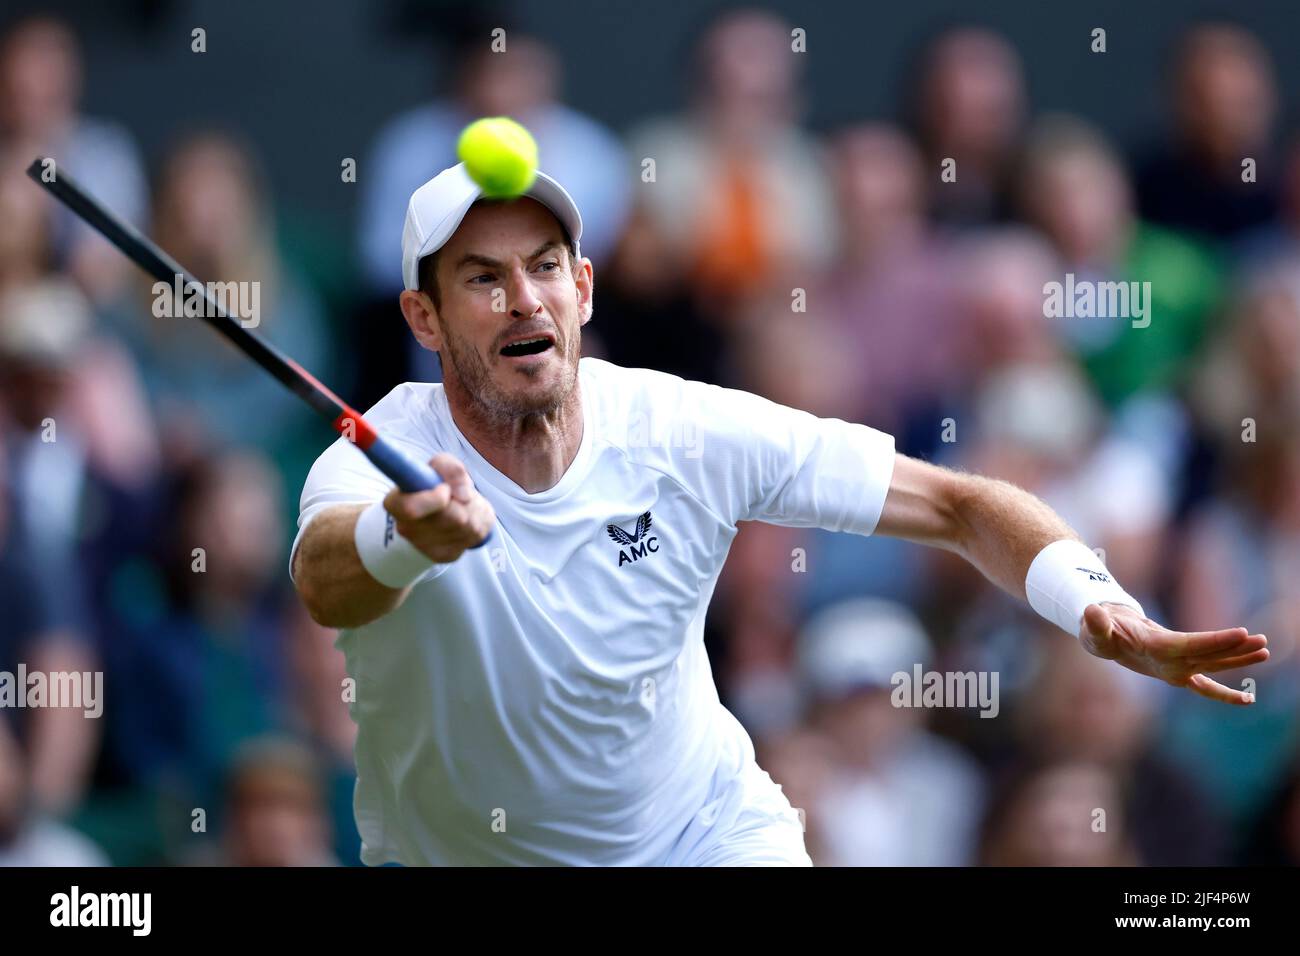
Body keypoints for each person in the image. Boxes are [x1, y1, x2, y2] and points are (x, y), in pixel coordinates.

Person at [289, 161, 1269, 867]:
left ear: (581, 290)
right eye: (480, 277)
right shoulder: (373, 458)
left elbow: (963, 505)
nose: (521, 299)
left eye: (544, 266)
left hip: (704, 838)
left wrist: (1096, 602)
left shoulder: (683, 428)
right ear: (424, 318)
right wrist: (403, 535)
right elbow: (324, 575)